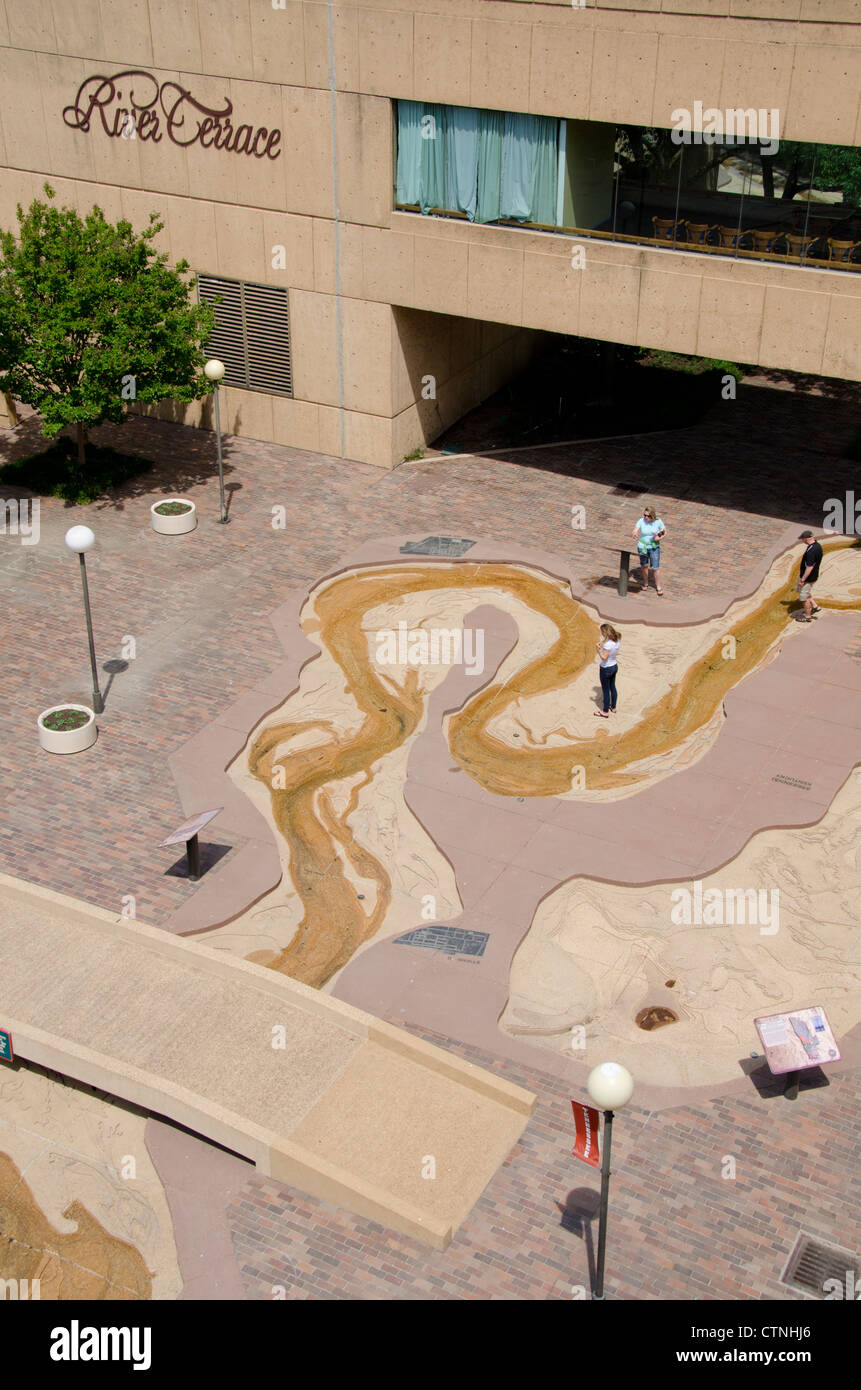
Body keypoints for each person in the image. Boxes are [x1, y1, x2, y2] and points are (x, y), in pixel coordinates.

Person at [632, 505, 666, 595]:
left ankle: (658, 586)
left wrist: (659, 538)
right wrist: (635, 533)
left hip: (654, 547)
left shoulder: (658, 522)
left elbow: (664, 531)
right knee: (644, 566)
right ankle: (646, 583)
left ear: (653, 516)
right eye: (645, 515)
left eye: (648, 516)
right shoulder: (641, 520)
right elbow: (635, 529)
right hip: (642, 546)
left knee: (655, 567)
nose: (646, 517)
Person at [796, 530, 823, 622]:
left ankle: (807, 617)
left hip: (808, 578)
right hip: (812, 576)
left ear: (806, 539)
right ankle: (815, 606)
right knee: (805, 592)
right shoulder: (817, 545)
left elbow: (810, 567)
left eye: (802, 539)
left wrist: (803, 579)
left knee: (804, 597)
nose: (802, 541)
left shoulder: (812, 551)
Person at [594, 623, 621, 717]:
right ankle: (613, 707)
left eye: (602, 632)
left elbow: (604, 658)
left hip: (606, 669)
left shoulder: (608, 645)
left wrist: (598, 650)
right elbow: (608, 643)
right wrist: (602, 643)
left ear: (605, 632)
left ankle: (605, 711)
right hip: (614, 666)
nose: (602, 634)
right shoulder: (617, 639)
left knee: (605, 691)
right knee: (612, 687)